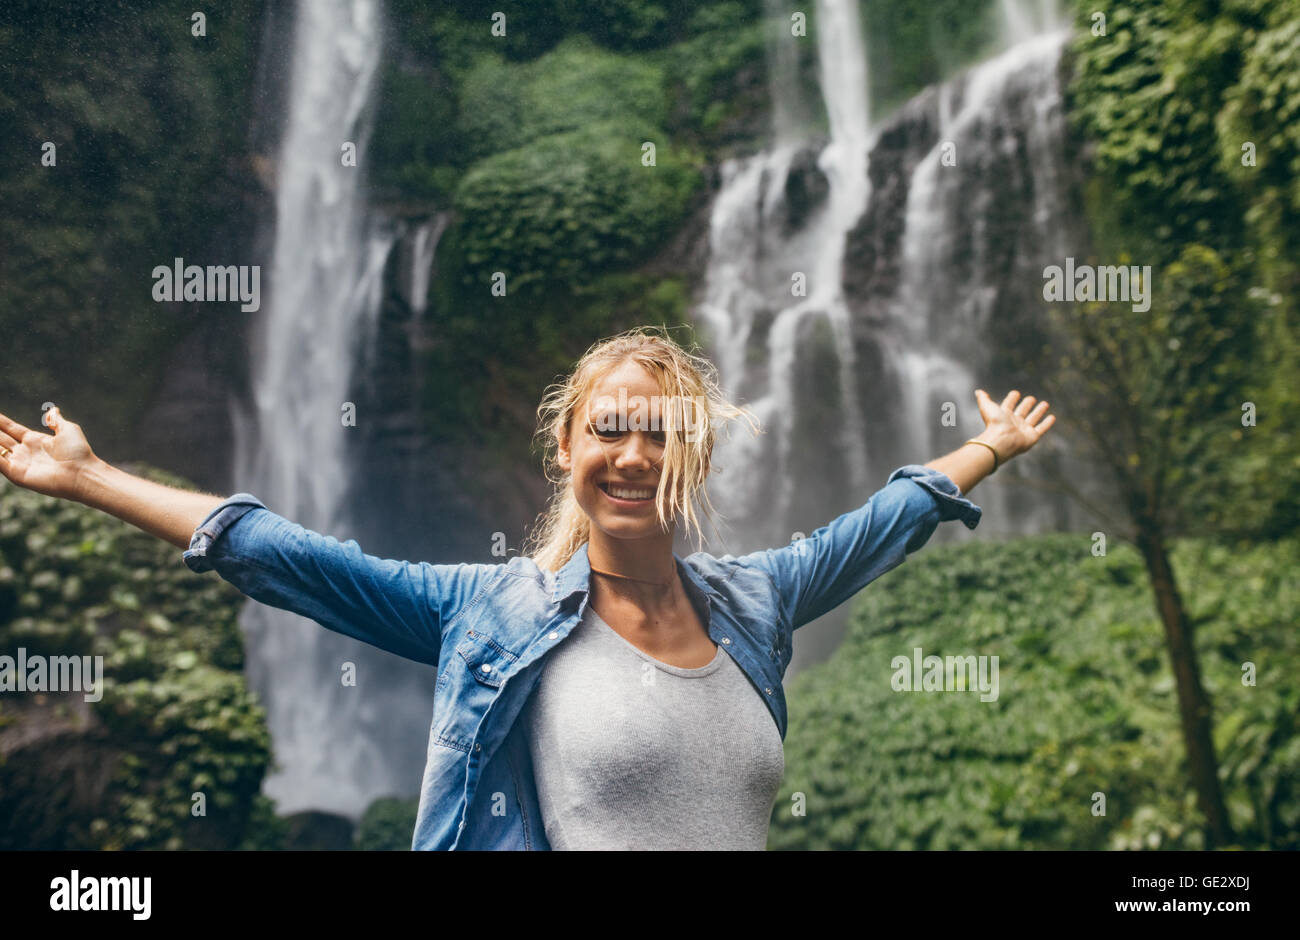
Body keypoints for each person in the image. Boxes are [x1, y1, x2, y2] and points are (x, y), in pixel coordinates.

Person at [0, 327, 1055, 849]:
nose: (633, 453)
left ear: (692, 456)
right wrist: (92, 478)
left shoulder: (757, 599)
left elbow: (886, 520)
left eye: (661, 432)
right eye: (609, 427)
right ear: (566, 445)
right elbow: (286, 553)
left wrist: (989, 448)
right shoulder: (488, 610)